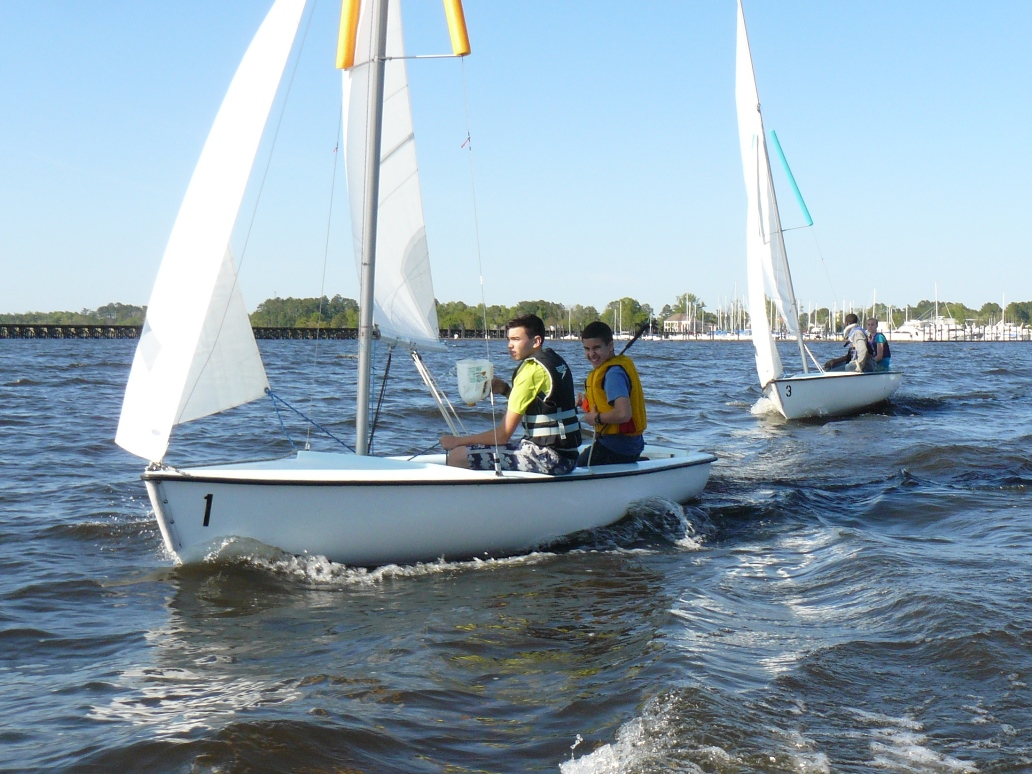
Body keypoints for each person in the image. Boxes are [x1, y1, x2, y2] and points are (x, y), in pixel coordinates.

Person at [439, 314, 581, 475]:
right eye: (509, 339)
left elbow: (502, 436)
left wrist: (456, 441)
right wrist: (506, 390)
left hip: (548, 458)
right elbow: (543, 406)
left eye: (516, 339)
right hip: (567, 456)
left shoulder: (530, 371)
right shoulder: (553, 360)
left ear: (536, 341)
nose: (509, 345)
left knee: (458, 455)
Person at [577, 321, 646, 466]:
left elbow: (623, 414)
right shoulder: (611, 369)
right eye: (587, 349)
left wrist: (596, 419)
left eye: (596, 348)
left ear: (610, 346)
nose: (591, 354)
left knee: (576, 467)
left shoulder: (613, 374)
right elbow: (605, 404)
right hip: (630, 445)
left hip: (617, 448)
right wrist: (584, 403)